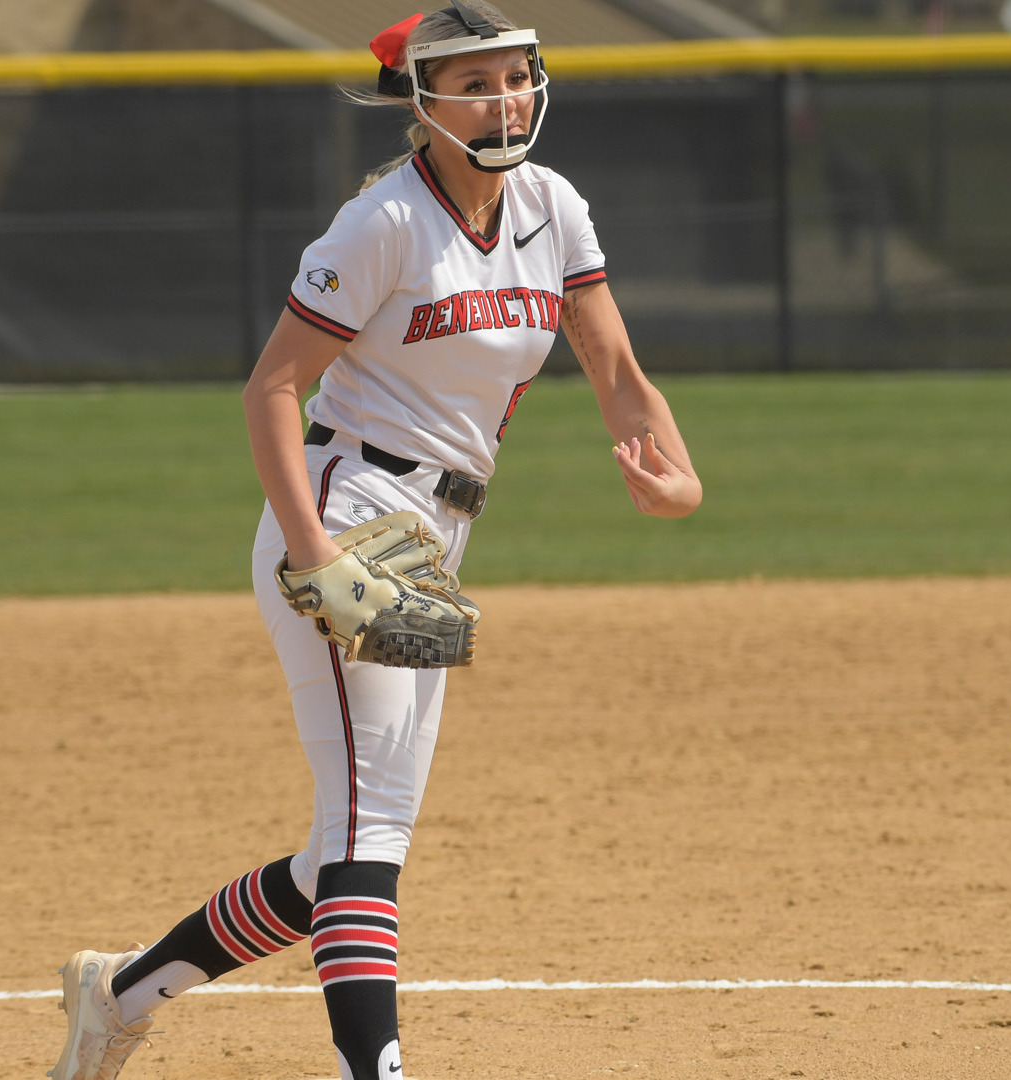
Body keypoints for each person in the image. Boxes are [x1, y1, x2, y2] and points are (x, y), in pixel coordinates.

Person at [46, 4, 701, 1079]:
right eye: (477, 82)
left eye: (518, 77)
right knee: (373, 829)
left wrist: (674, 469)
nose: (506, 100)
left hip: (434, 542)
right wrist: (312, 554)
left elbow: (617, 369)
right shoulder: (384, 223)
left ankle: (117, 995)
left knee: (337, 849)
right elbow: (273, 387)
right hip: (345, 513)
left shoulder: (550, 205)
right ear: (423, 101)